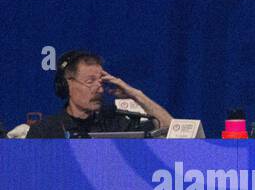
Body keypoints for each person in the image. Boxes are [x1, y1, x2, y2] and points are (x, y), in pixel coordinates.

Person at [26, 50, 174, 138]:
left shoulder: (116, 122)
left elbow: (170, 129)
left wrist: (136, 94)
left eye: (101, 82)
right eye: (90, 81)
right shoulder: (45, 131)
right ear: (67, 84)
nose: (100, 89)